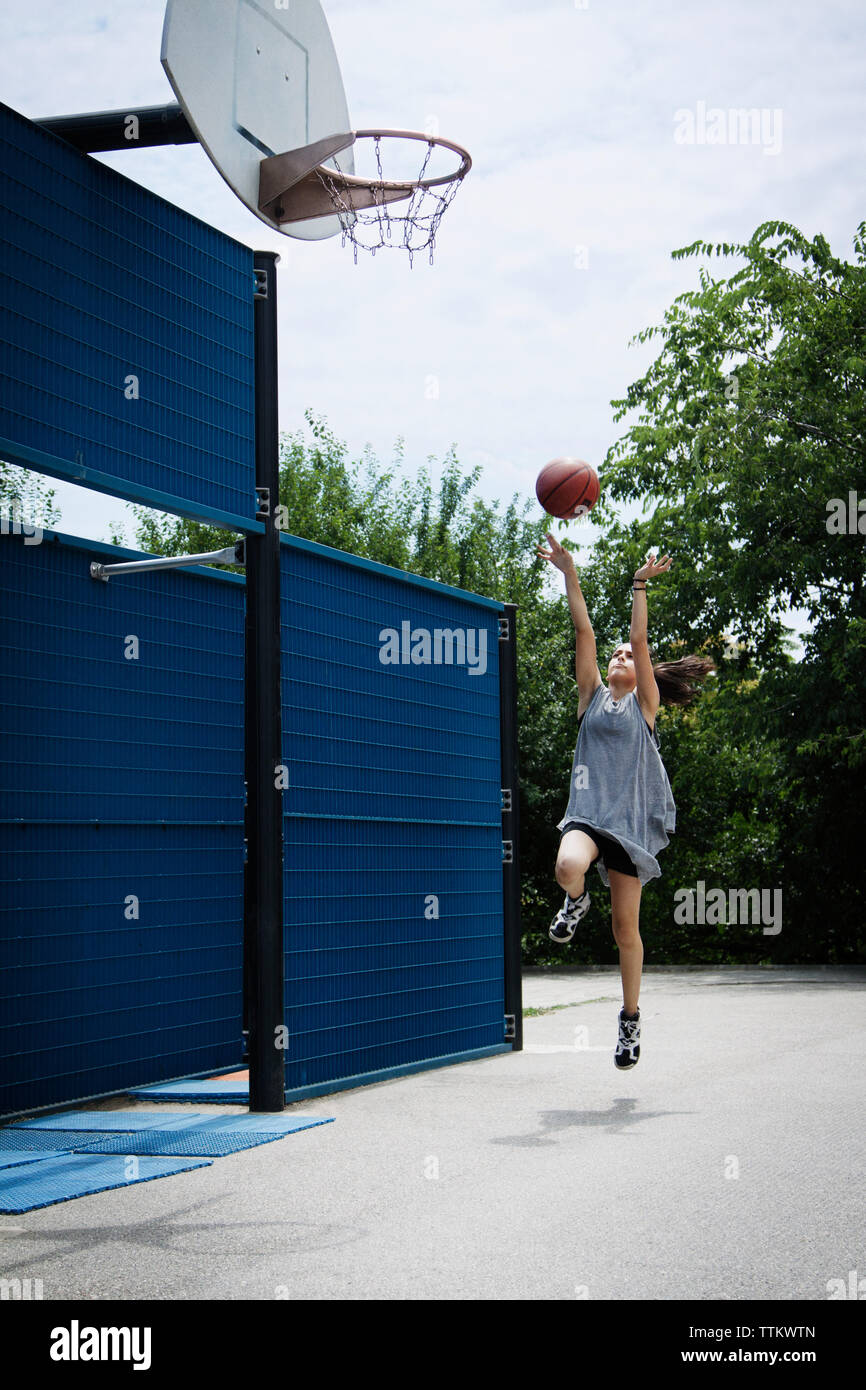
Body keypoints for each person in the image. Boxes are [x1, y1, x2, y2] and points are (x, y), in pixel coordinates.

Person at [537, 532, 715, 1069]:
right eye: (613, 654)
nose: (618, 654)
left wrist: (638, 585)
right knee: (568, 864)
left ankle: (630, 1021)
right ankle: (574, 900)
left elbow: (639, 641)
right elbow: (583, 629)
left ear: (639, 674)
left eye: (625, 655)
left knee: (625, 931)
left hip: (630, 830)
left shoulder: (644, 708)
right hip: (588, 818)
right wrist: (569, 572)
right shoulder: (590, 699)